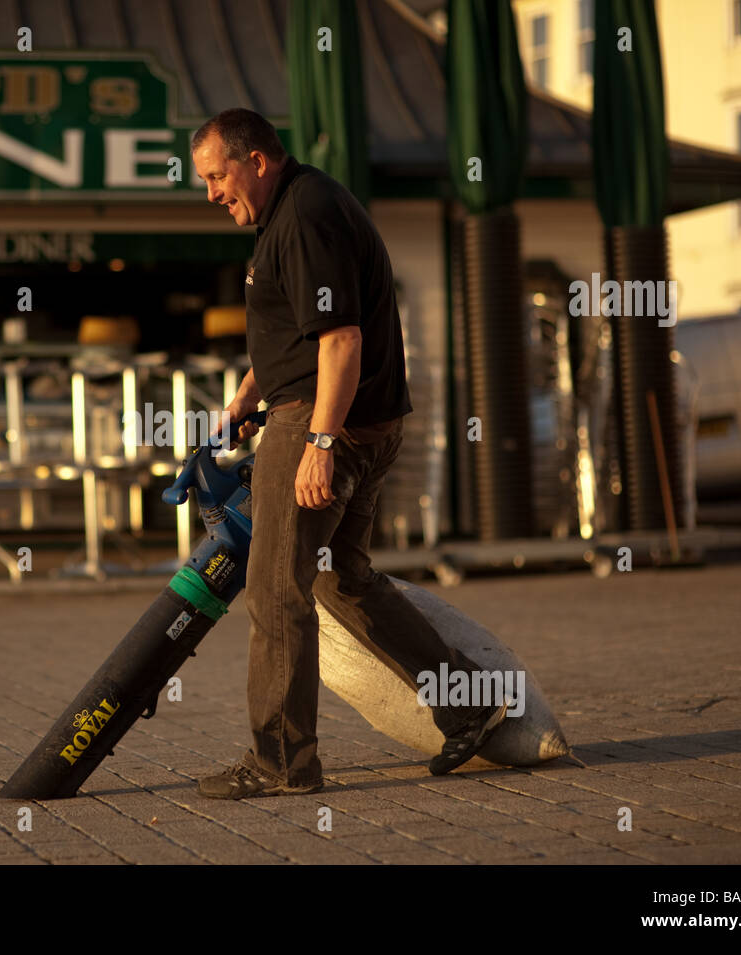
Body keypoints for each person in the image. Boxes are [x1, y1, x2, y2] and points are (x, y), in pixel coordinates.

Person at [189, 108, 506, 799]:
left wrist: (317, 446)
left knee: (277, 590)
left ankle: (281, 762)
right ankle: (471, 703)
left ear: (256, 161)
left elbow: (341, 342)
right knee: (344, 578)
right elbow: (300, 336)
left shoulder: (304, 215)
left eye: (216, 176)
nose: (211, 193)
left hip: (324, 423)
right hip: (355, 420)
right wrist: (247, 398)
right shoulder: (294, 211)